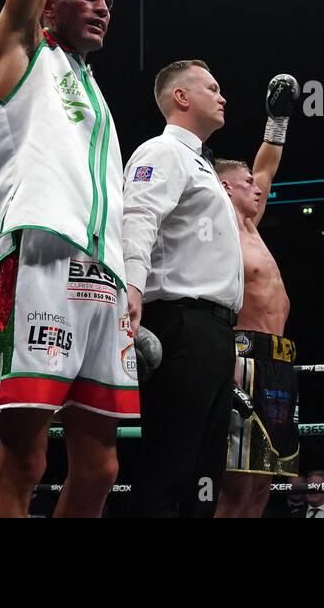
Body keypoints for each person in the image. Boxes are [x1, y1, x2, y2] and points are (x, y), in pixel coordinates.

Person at [0, 0, 146, 518]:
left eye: (108, 2)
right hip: (38, 259)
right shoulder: (21, 58)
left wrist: (130, 279)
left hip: (101, 277)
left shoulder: (96, 95)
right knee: (25, 454)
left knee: (102, 466)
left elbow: (115, 199)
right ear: (48, 6)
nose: (101, 8)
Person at [123, 60, 243, 517]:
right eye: (211, 88)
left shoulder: (201, 164)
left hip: (212, 329)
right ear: (181, 97)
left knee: (203, 473)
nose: (222, 96)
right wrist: (131, 287)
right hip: (181, 322)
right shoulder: (162, 151)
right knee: (170, 466)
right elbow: (137, 217)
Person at [214, 75, 303, 518]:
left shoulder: (251, 228)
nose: (258, 185)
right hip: (242, 354)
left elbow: (267, 167)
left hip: (278, 358)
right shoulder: (220, 230)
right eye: (247, 181)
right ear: (227, 188)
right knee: (237, 482)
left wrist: (278, 119)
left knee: (266, 481)